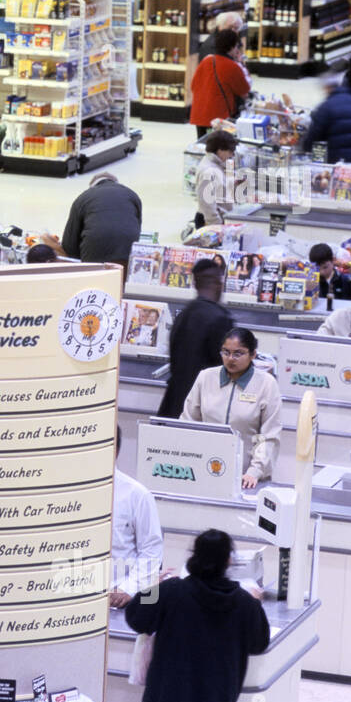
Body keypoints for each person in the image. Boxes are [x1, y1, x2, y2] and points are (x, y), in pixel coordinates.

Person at [124, 529, 269, 702]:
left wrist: (153, 586)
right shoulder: (244, 603)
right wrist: (257, 603)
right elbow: (259, 643)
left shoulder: (172, 591)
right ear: (228, 560)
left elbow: (135, 615)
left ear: (194, 556)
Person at [181, 328, 282, 490]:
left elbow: (268, 436)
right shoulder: (206, 377)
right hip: (203, 470)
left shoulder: (267, 384)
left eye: (238, 354)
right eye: (225, 352)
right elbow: (188, 423)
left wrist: (255, 471)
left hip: (246, 478)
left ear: (253, 354)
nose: (230, 359)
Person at [158, 258, 234, 419]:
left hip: (173, 405)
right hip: (203, 408)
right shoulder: (220, 319)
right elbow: (228, 367)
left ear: (195, 283)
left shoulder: (182, 315)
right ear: (219, 283)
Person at [41, 173, 143, 268]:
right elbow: (137, 229)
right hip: (127, 253)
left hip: (94, 253)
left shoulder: (84, 197)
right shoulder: (132, 195)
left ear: (92, 186)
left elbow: (70, 246)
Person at [110, 426, 163, 608]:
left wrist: (129, 588)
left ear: (114, 450)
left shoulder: (137, 495)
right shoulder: (63, 493)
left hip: (119, 601)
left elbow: (151, 549)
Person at [301, 72, 351, 165]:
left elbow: (312, 140)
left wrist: (304, 146)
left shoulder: (326, 107)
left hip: (337, 164)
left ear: (327, 88)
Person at [190, 28, 250, 138]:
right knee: (219, 148)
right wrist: (241, 64)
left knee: (204, 146)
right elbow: (244, 90)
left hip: (199, 114)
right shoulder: (233, 66)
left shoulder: (206, 60)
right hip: (219, 118)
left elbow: (193, 85)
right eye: (237, 46)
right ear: (232, 47)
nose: (238, 50)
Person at [194, 130, 240, 228]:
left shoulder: (220, 163)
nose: (232, 155)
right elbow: (207, 204)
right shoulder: (208, 171)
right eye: (230, 151)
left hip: (222, 217)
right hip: (211, 221)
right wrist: (217, 226)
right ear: (220, 150)